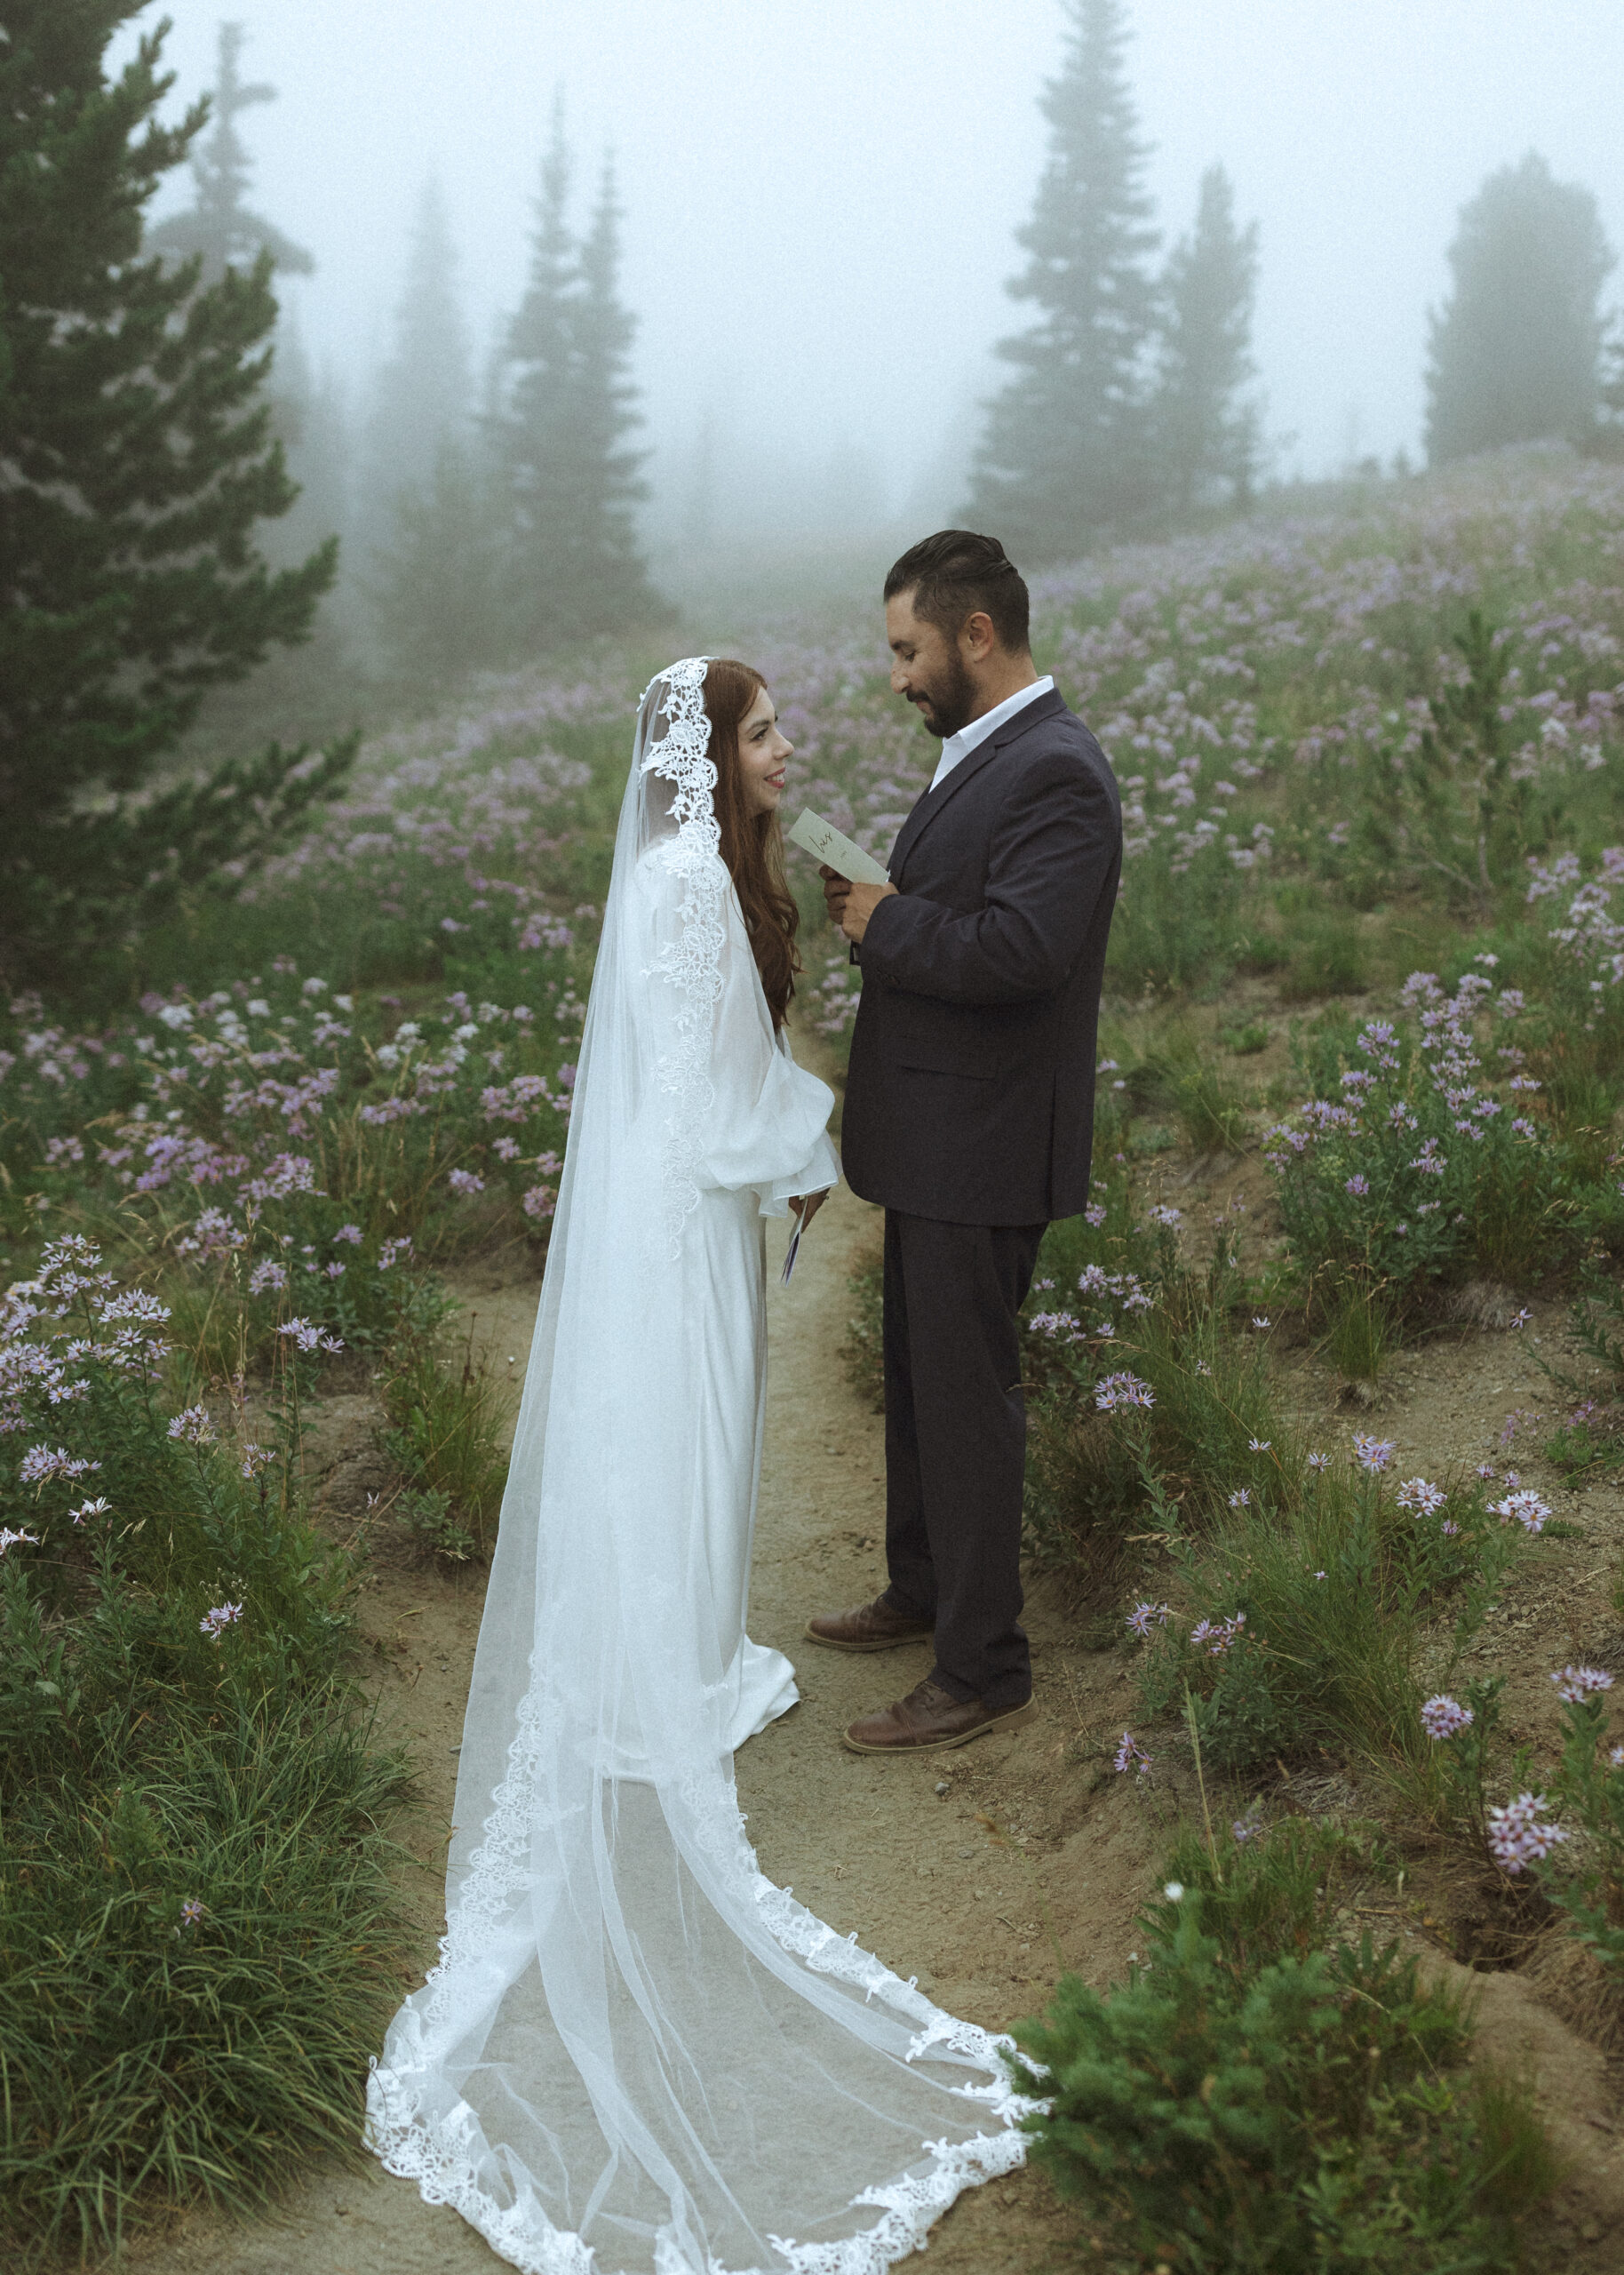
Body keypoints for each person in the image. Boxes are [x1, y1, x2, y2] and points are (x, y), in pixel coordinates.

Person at [367, 658, 1031, 2274]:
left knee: (680, 1450)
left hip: (687, 1215)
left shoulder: (699, 869)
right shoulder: (683, 885)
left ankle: (663, 1648)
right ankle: (648, 1666)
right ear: (707, 756)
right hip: (685, 1222)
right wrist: (805, 1145)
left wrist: (781, 1136)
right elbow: (707, 1094)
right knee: (680, 1440)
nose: (789, 747)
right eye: (763, 731)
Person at [809, 532, 1122, 1755]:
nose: (898, 677)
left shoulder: (1058, 770)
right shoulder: (990, 751)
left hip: (985, 1146)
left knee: (967, 1403)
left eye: (908, 650)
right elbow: (972, 916)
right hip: (941, 1137)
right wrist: (880, 910)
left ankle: (983, 1667)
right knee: (922, 1384)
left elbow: (1024, 952)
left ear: (975, 635)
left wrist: (886, 924)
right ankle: (925, 1585)